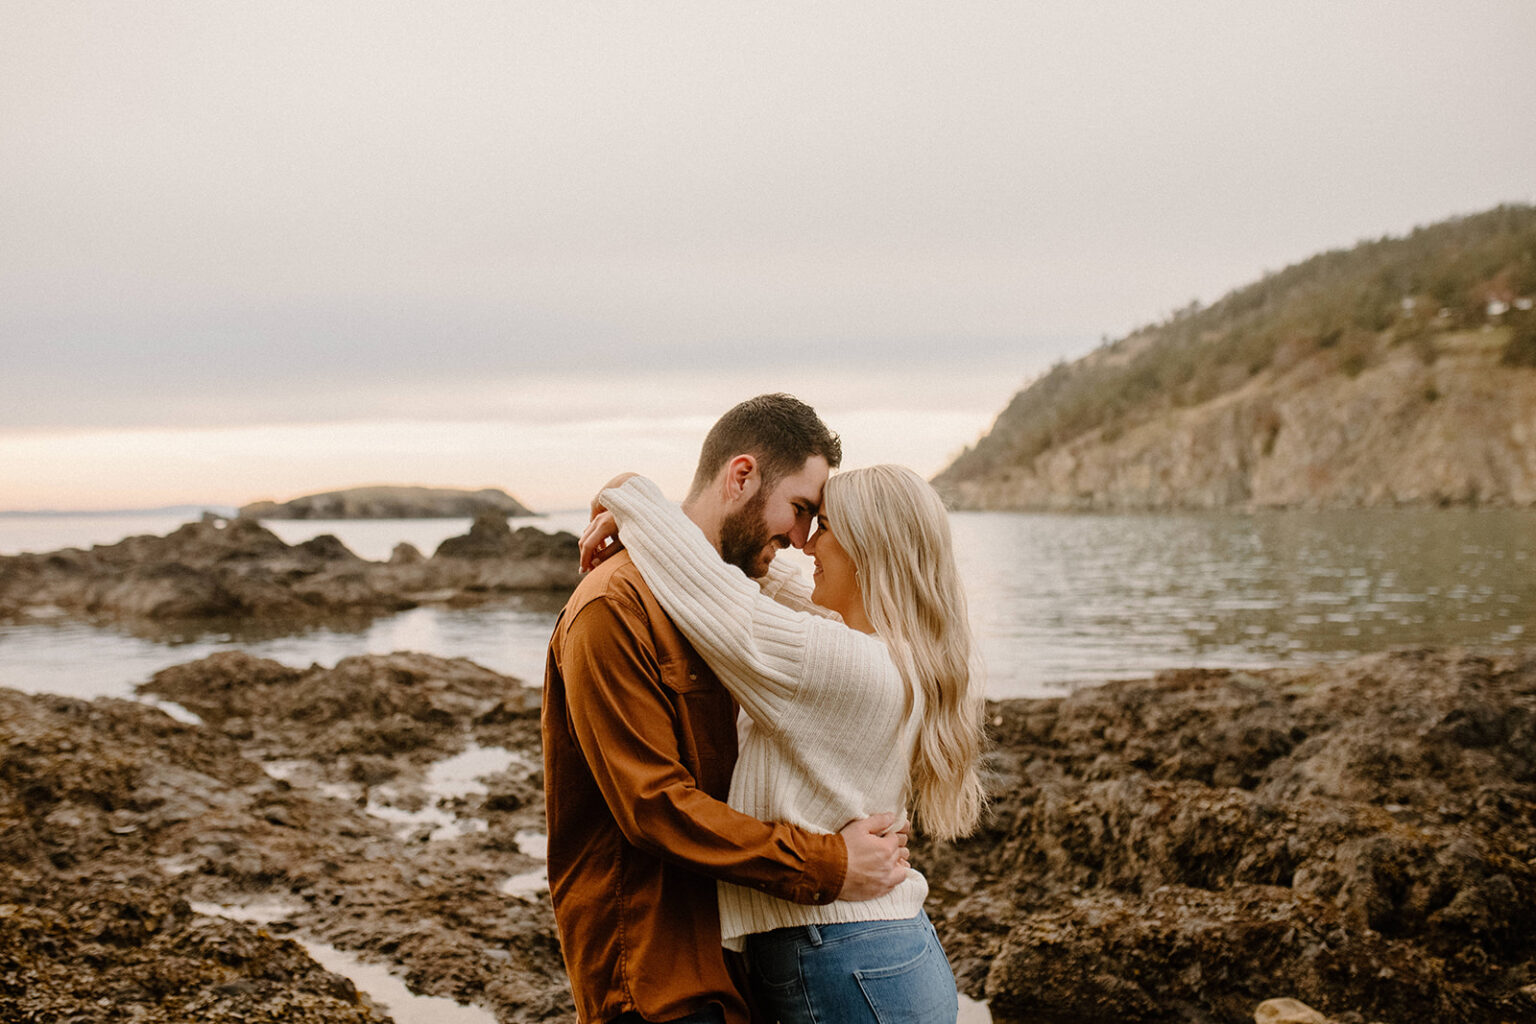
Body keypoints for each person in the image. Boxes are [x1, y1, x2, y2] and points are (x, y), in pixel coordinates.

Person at [542, 394, 913, 1024]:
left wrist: (626, 491)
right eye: (800, 510)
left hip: (742, 961)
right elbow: (654, 807)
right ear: (741, 476)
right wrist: (831, 863)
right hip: (656, 976)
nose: (801, 540)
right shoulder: (613, 607)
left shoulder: (735, 607)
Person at [583, 462, 985, 1024]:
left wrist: (628, 492)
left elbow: (712, 591)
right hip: (878, 953)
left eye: (822, 525)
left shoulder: (839, 663)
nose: (805, 545)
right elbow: (760, 576)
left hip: (842, 960)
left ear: (869, 547)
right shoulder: (894, 649)